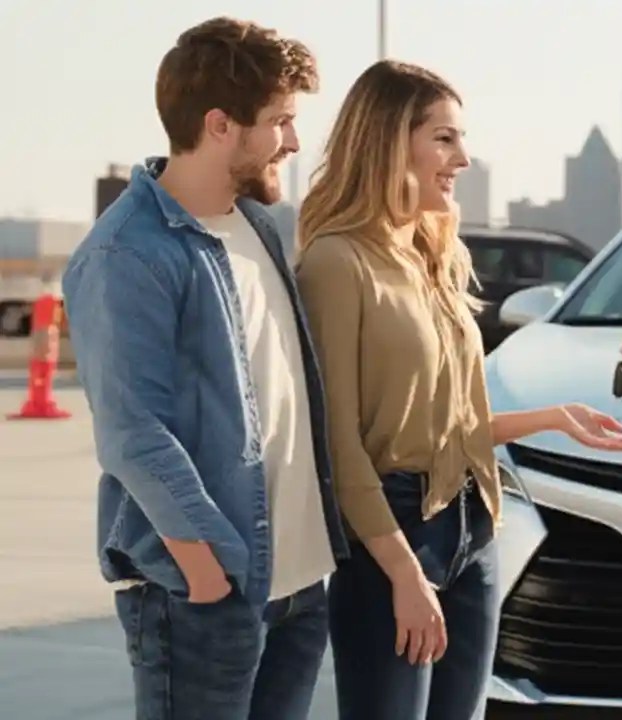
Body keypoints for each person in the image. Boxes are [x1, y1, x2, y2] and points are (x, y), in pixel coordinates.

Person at [294, 59, 622, 720]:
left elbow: (446, 425)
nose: (464, 158)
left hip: (470, 527)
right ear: (392, 142)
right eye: (444, 138)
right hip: (392, 538)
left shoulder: (433, 253)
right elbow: (338, 445)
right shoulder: (337, 262)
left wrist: (550, 419)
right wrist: (401, 571)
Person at [60, 16, 348, 720]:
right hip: (209, 596)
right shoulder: (126, 254)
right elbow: (134, 432)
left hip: (298, 585)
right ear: (221, 125)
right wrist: (206, 568)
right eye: (279, 122)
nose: (294, 141)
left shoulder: (257, 227)